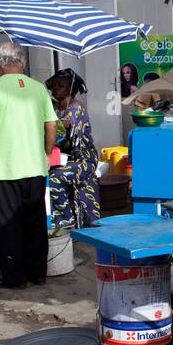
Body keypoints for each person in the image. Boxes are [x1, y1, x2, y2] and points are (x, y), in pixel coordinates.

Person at [0, 41, 57, 289]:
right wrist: (45, 153)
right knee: (35, 223)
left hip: (5, 169)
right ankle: (37, 274)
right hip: (35, 167)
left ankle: (14, 278)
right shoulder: (38, 88)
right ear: (23, 63)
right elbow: (51, 125)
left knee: (8, 225)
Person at [46, 67, 100, 230]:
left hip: (84, 161)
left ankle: (65, 219)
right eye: (54, 85)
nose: (55, 89)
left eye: (60, 85)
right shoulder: (55, 108)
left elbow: (71, 140)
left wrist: (57, 127)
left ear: (70, 89)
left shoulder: (77, 108)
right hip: (65, 159)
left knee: (55, 178)